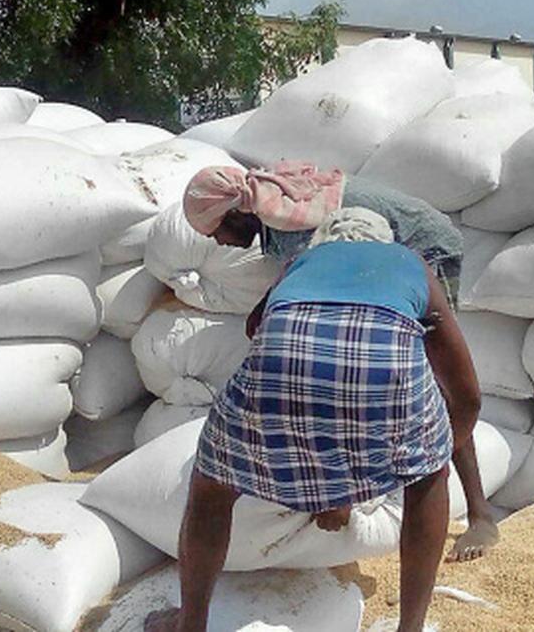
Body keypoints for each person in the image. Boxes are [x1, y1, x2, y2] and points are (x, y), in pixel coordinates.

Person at [145, 208, 481, 632]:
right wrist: (430, 459)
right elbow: (467, 396)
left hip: (284, 356)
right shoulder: (412, 264)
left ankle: (190, 624)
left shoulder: (302, 260)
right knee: (428, 476)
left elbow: (256, 329)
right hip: (384, 371)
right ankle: (409, 628)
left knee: (213, 481)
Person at [182, 161, 500, 562]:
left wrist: (339, 494)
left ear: (233, 213)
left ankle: (479, 512)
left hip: (422, 247)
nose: (220, 243)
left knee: (433, 387)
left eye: (217, 232)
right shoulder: (278, 210)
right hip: (383, 251)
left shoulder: (286, 222)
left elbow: (332, 331)